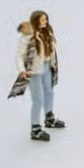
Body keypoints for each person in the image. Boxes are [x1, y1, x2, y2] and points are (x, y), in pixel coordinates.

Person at [15, 10, 63, 142]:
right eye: (42, 20)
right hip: (34, 71)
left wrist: (54, 64)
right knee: (38, 100)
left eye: (46, 19)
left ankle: (49, 118)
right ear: (36, 21)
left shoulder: (47, 32)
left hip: (47, 67)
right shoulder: (27, 36)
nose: (45, 22)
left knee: (49, 92)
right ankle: (35, 129)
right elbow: (19, 55)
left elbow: (52, 50)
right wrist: (22, 70)